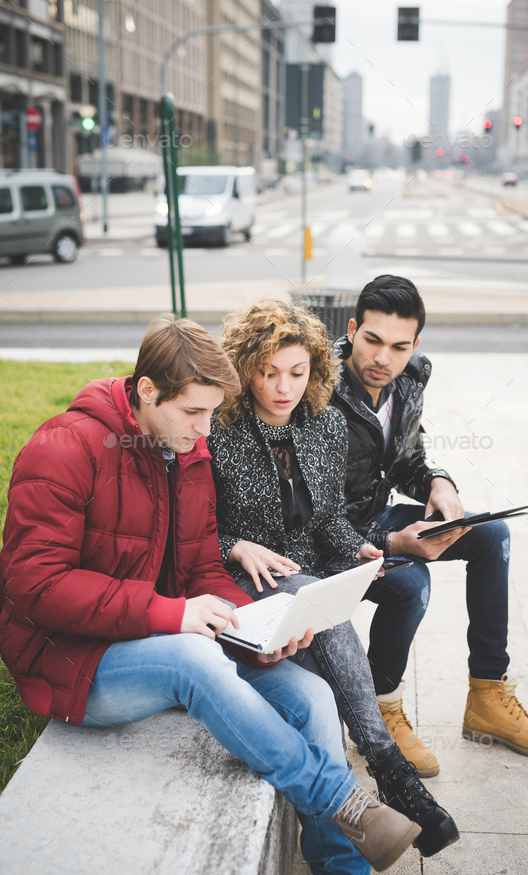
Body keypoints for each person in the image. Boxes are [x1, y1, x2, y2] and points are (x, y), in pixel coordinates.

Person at [0, 314, 422, 875]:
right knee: (193, 658)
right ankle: (342, 802)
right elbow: (34, 586)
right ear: (147, 391)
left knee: (314, 695)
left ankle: (342, 865)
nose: (205, 431)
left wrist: (256, 630)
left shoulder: (188, 451)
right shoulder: (64, 448)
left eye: (210, 413)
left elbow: (202, 566)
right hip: (74, 659)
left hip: (167, 632)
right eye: (193, 412)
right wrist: (169, 612)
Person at [208, 299, 459, 859]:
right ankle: (388, 766)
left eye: (297, 373)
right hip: (240, 581)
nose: (282, 387)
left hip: (306, 575)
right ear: (246, 367)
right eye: (268, 372)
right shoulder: (218, 429)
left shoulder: (323, 424)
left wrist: (360, 547)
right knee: (317, 618)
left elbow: (327, 521)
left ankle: (380, 782)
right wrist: (235, 545)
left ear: (314, 372)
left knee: (341, 612)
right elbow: (192, 532)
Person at [331, 275, 528, 777]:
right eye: (372, 340)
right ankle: (378, 711)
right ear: (352, 330)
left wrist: (439, 482)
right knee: (409, 580)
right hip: (328, 539)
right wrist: (392, 541)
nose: (383, 358)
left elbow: (406, 460)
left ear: (415, 345)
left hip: (375, 517)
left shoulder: (411, 377)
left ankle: (487, 696)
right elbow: (308, 512)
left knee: (491, 537)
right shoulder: (315, 387)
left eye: (399, 346)